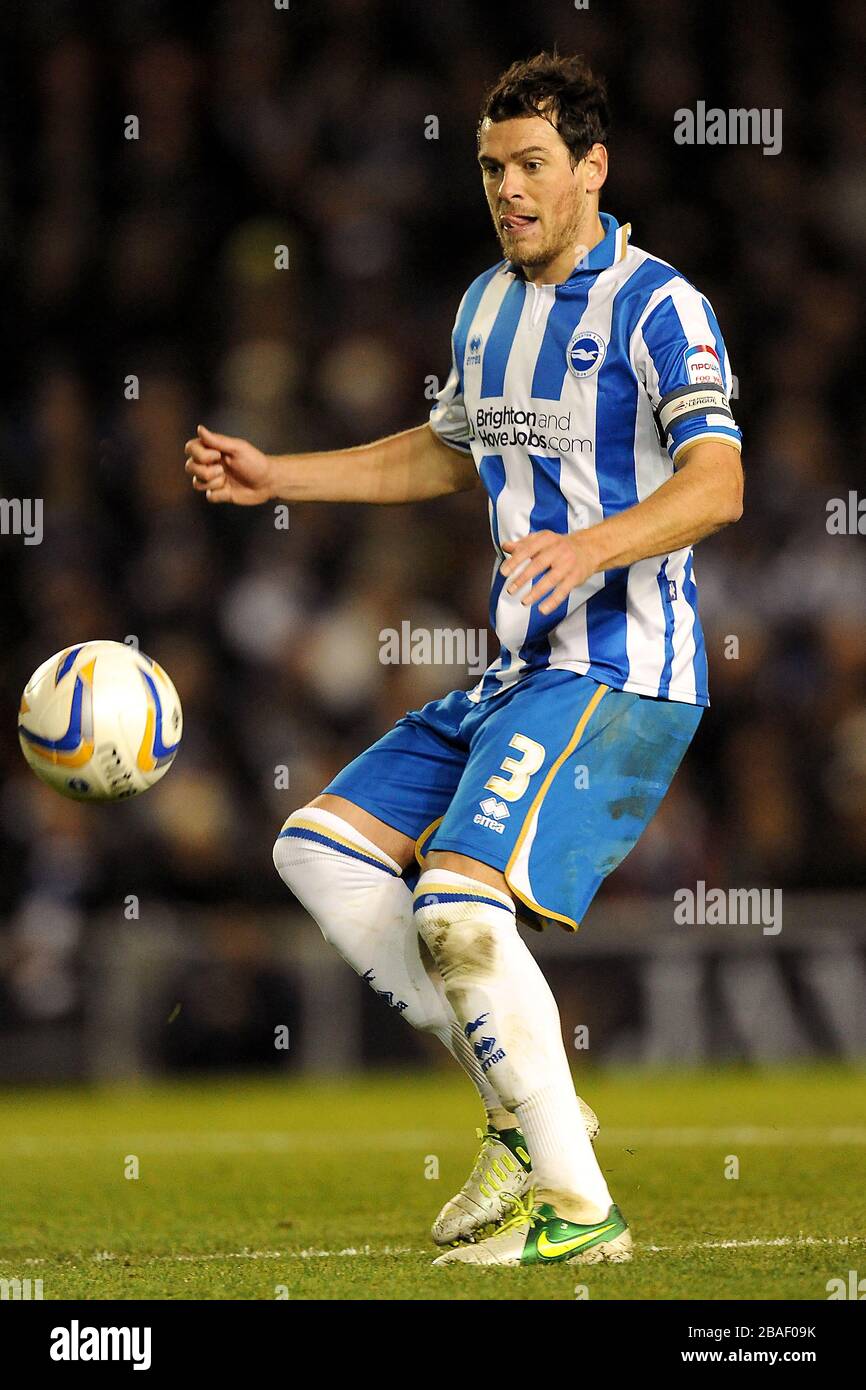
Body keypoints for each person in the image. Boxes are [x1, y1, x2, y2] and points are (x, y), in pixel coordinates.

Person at [184, 51, 743, 1268]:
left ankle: (581, 1208)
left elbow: (718, 481)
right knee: (317, 849)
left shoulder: (658, 307)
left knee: (453, 900)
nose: (508, 189)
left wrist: (589, 544)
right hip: (516, 676)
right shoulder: (484, 307)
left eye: (532, 164)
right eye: (491, 167)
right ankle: (516, 1106)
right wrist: (281, 476)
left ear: (592, 169)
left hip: (620, 670)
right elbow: (442, 455)